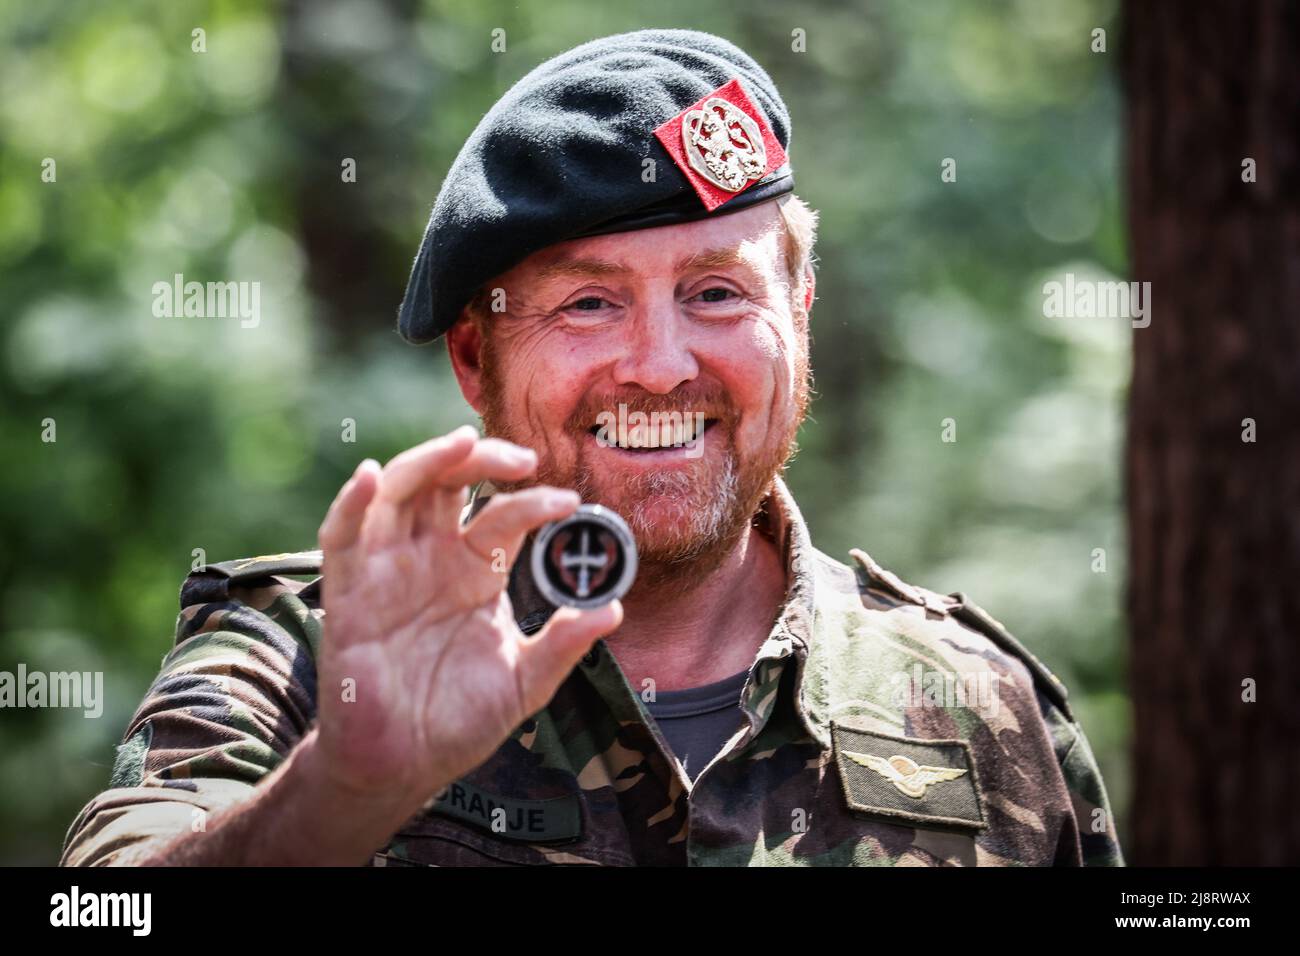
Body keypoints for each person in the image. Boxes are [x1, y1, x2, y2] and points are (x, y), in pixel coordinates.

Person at [61, 29, 1123, 866]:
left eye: (716, 291)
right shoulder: (308, 660)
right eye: (585, 304)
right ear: (475, 358)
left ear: (796, 314)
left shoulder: (985, 707)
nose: (659, 364)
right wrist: (336, 797)